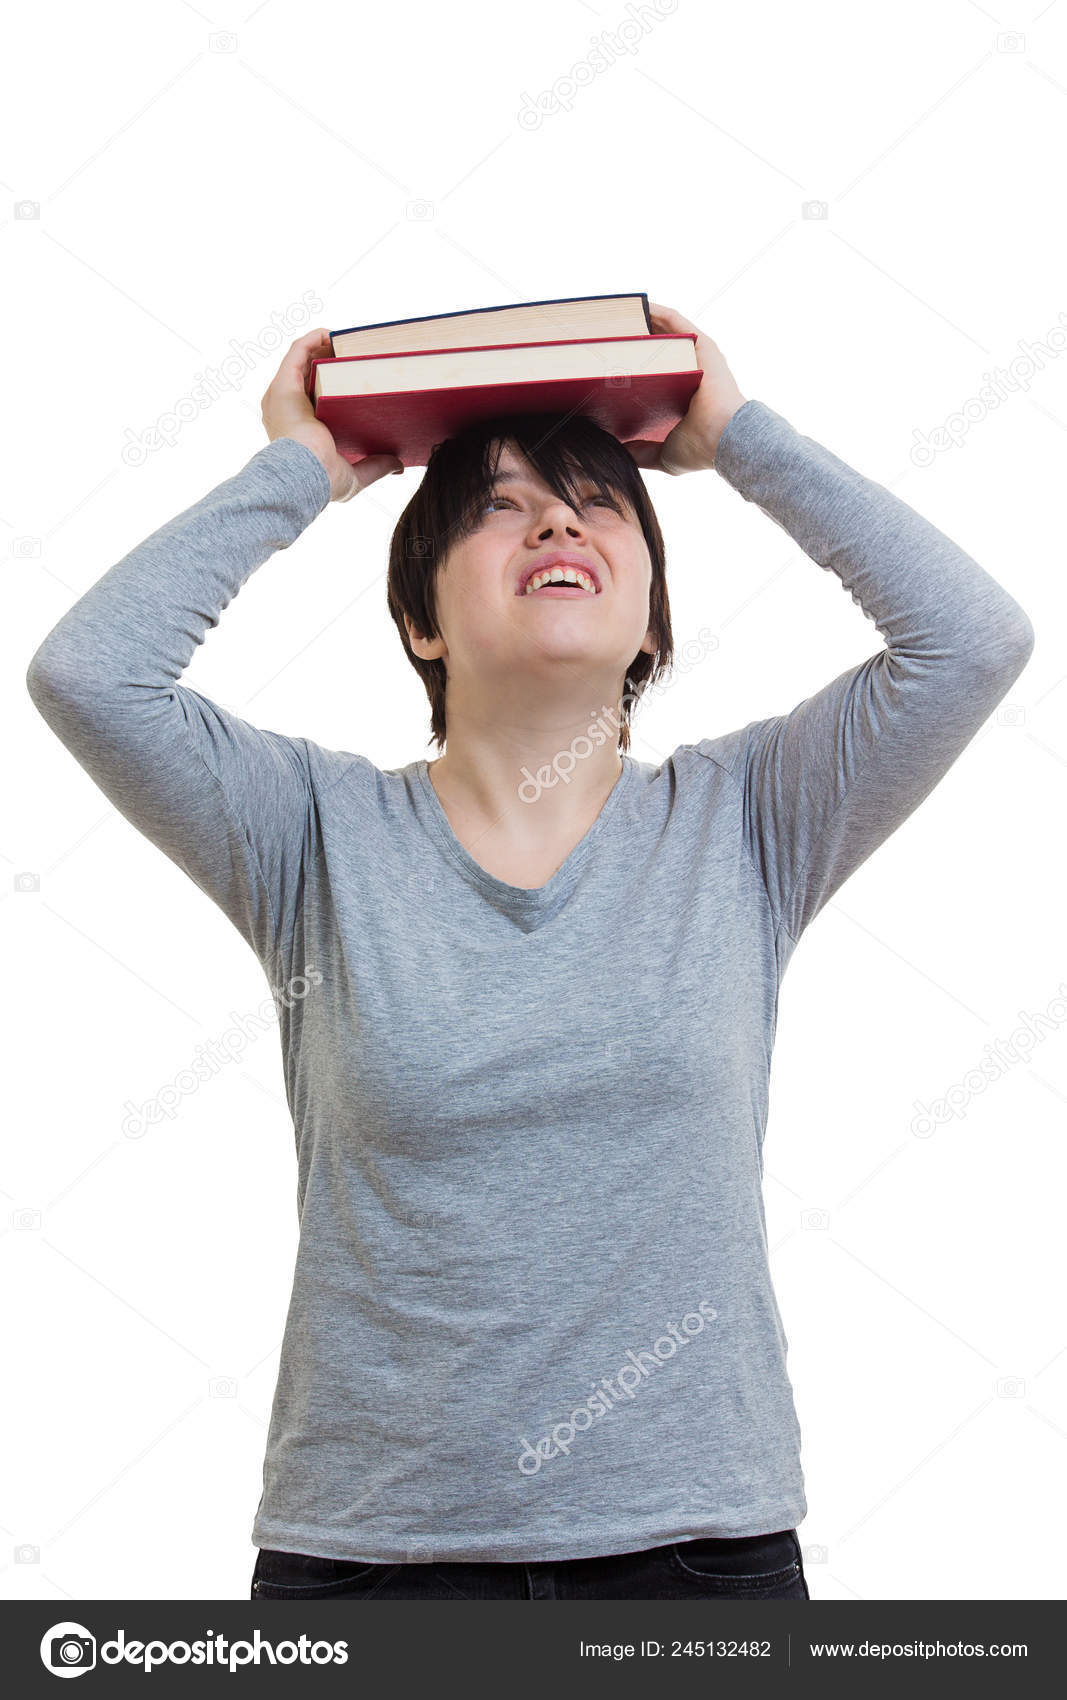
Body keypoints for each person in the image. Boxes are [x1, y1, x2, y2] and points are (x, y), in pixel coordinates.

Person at [25, 304, 1034, 1603]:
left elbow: (972, 641)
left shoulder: (748, 821)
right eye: (502, 508)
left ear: (653, 624)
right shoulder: (312, 836)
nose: (560, 524)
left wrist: (736, 439)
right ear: (421, 623)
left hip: (697, 1561)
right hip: (373, 1566)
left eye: (598, 505)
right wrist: (301, 472)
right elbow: (90, 676)